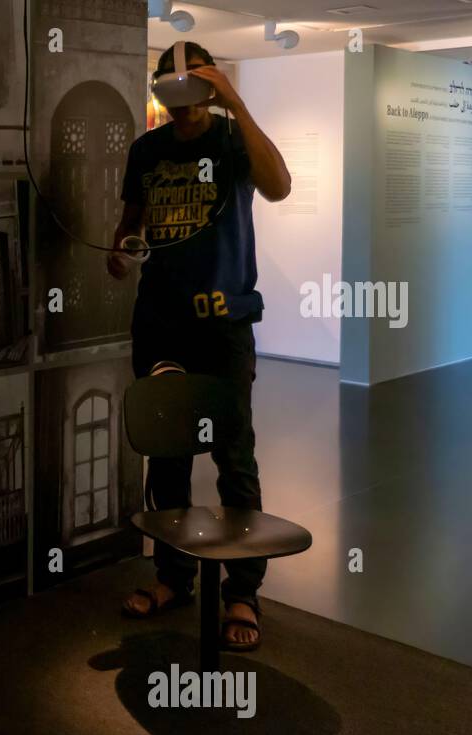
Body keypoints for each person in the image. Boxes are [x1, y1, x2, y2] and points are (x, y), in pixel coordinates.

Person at [108, 42, 291, 652]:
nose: (182, 110)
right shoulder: (147, 150)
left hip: (223, 324)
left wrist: (235, 101)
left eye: (193, 95)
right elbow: (129, 228)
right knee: (167, 458)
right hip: (161, 324)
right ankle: (174, 576)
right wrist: (121, 252)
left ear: (208, 91)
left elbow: (281, 186)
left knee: (234, 457)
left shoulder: (234, 142)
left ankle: (242, 591)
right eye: (171, 95)